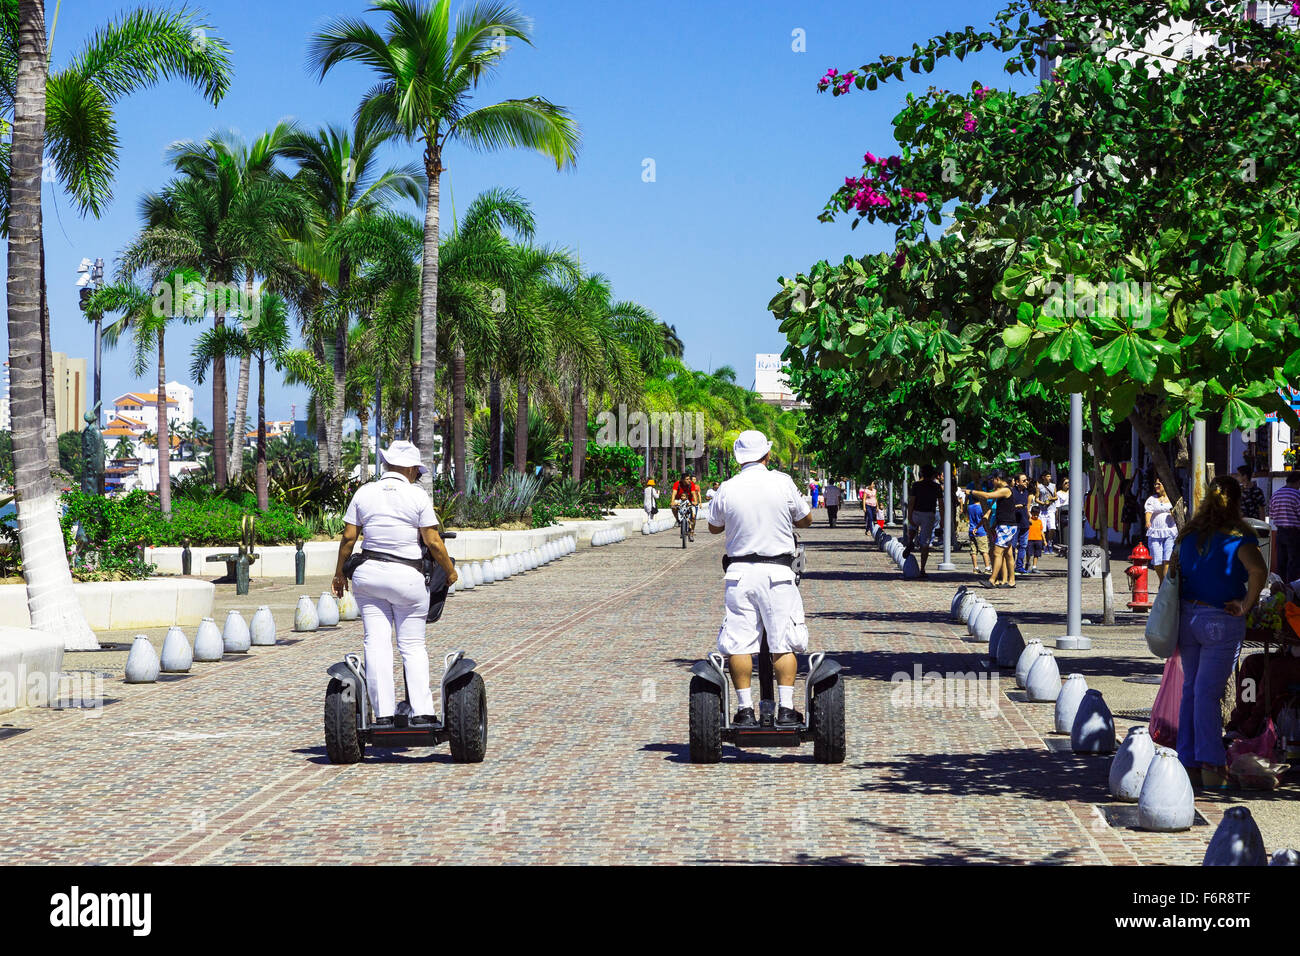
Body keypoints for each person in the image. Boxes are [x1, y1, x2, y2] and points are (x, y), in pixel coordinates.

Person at [332, 441, 458, 728]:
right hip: (407, 578)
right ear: (412, 469)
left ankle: (384, 715)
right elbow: (433, 541)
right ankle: (423, 713)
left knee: (376, 644)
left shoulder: (365, 492)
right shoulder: (416, 495)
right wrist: (450, 572)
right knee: (412, 645)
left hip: (369, 576)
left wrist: (339, 574)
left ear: (388, 464)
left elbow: (349, 538)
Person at [707, 430, 813, 727]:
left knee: (739, 644)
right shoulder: (782, 482)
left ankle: (744, 710)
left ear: (738, 458)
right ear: (767, 456)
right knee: (782, 642)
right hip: (778, 574)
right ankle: (787, 709)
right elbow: (806, 519)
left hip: (740, 574)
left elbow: (714, 527)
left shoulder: (728, 487)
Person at [1172, 475, 1267, 789]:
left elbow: (1174, 573)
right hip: (1220, 619)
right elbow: (1258, 571)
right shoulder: (1239, 535)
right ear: (1238, 500)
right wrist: (1246, 604)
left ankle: (1188, 761)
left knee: (1192, 691)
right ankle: (1212, 763)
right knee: (1207, 694)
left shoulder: (1189, 534)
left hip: (1188, 617)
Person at [969, 474, 1016, 588]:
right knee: (1008, 554)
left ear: (998, 479)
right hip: (1005, 525)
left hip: (1007, 525)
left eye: (992, 480)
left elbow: (987, 495)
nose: (991, 482)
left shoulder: (1005, 490)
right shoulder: (1003, 490)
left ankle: (992, 580)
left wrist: (971, 492)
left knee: (997, 552)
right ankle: (1011, 581)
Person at [903, 465, 942, 578]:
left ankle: (911, 541)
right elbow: (941, 505)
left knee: (912, 528)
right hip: (928, 514)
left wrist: (909, 516)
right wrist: (942, 521)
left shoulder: (916, 485)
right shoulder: (936, 487)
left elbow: (911, 502)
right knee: (925, 543)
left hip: (916, 512)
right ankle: (923, 569)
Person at [1268, 471, 1300, 584]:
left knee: (1281, 562)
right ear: (1297, 482)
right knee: (1294, 563)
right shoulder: (1297, 495)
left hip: (1280, 532)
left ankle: (1281, 588)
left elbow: (1271, 515)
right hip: (1294, 533)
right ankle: (1293, 590)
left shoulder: (1276, 494)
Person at [1145, 477, 1177, 585]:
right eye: (1155, 484)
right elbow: (1148, 512)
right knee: (1157, 560)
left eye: (1158, 484)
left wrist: (1174, 514)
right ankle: (1162, 580)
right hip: (1155, 533)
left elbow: (1179, 511)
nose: (1156, 486)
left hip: (1169, 532)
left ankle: (1165, 585)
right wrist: (1148, 522)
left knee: (1167, 559)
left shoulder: (1173, 499)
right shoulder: (1152, 499)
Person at [672, 470, 701, 541]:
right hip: (679, 500)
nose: (689, 480)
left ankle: (691, 533)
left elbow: (693, 493)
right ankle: (678, 520)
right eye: (687, 479)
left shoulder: (691, 484)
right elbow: (674, 493)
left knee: (693, 517)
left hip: (690, 501)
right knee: (673, 507)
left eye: (689, 479)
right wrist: (672, 501)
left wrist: (695, 502)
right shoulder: (677, 484)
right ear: (682, 480)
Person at [1012, 473, 1032, 574]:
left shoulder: (1026, 492)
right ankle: (1011, 566)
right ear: (1017, 482)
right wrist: (1016, 506)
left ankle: (1019, 566)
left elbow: (1027, 507)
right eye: (1024, 480)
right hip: (1014, 523)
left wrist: (1029, 517)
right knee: (1013, 546)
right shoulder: (1011, 492)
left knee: (1023, 546)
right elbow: (1008, 507)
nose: (1026, 482)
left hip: (1025, 523)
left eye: (1026, 480)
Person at [967, 495, 991, 574]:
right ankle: (987, 567)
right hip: (981, 531)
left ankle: (975, 567)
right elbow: (984, 519)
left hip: (971, 530)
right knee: (984, 550)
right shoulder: (981, 509)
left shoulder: (969, 507)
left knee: (973, 551)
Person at [1026, 507, 1045, 573]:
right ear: (1031, 513)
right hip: (1030, 539)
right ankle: (1027, 564)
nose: (1036, 516)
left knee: (1037, 554)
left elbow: (1041, 531)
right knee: (1029, 553)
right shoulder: (1029, 521)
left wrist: (1044, 540)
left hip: (1038, 539)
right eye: (1034, 515)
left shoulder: (1039, 521)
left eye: (1037, 515)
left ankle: (1034, 566)